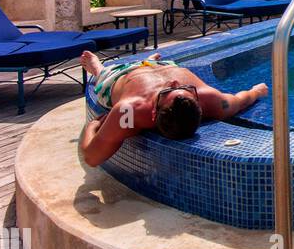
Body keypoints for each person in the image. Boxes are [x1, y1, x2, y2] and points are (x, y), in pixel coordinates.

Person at [78, 51, 268, 167]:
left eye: (170, 89)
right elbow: (240, 100)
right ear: (199, 107)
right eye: (184, 89)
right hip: (165, 66)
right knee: (151, 65)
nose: (176, 82)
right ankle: (149, 61)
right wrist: (256, 91)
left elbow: (92, 157)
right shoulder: (210, 100)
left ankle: (98, 68)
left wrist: (92, 125)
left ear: (153, 113)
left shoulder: (130, 110)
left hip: (121, 75)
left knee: (103, 78)